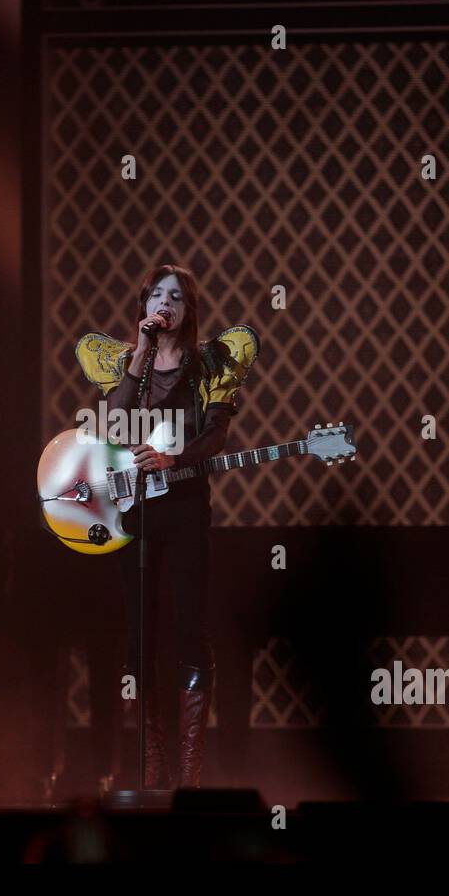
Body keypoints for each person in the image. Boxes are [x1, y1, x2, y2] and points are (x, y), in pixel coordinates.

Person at [74, 264, 259, 788]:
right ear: (144, 306)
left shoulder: (209, 367)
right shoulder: (130, 365)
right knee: (140, 633)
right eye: (156, 294)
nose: (166, 303)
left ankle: (190, 764)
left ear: (189, 309)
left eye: (175, 296)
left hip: (185, 509)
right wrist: (138, 353)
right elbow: (112, 424)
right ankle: (152, 760)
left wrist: (172, 460)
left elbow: (216, 438)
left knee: (191, 627)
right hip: (135, 512)